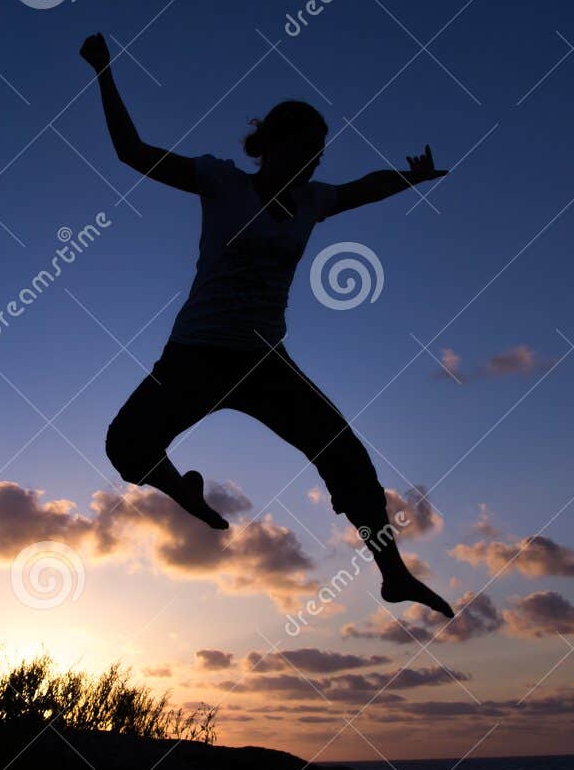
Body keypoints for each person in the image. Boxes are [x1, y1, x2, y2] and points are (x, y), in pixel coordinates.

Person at [82, 32, 453, 618]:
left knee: (346, 456)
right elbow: (133, 152)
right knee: (125, 445)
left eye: (320, 153)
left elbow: (364, 189)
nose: (313, 161)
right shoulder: (220, 181)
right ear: (271, 145)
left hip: (263, 363)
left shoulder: (313, 201)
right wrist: (104, 70)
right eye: (303, 148)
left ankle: (393, 574)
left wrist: (412, 178)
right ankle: (183, 490)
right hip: (196, 354)